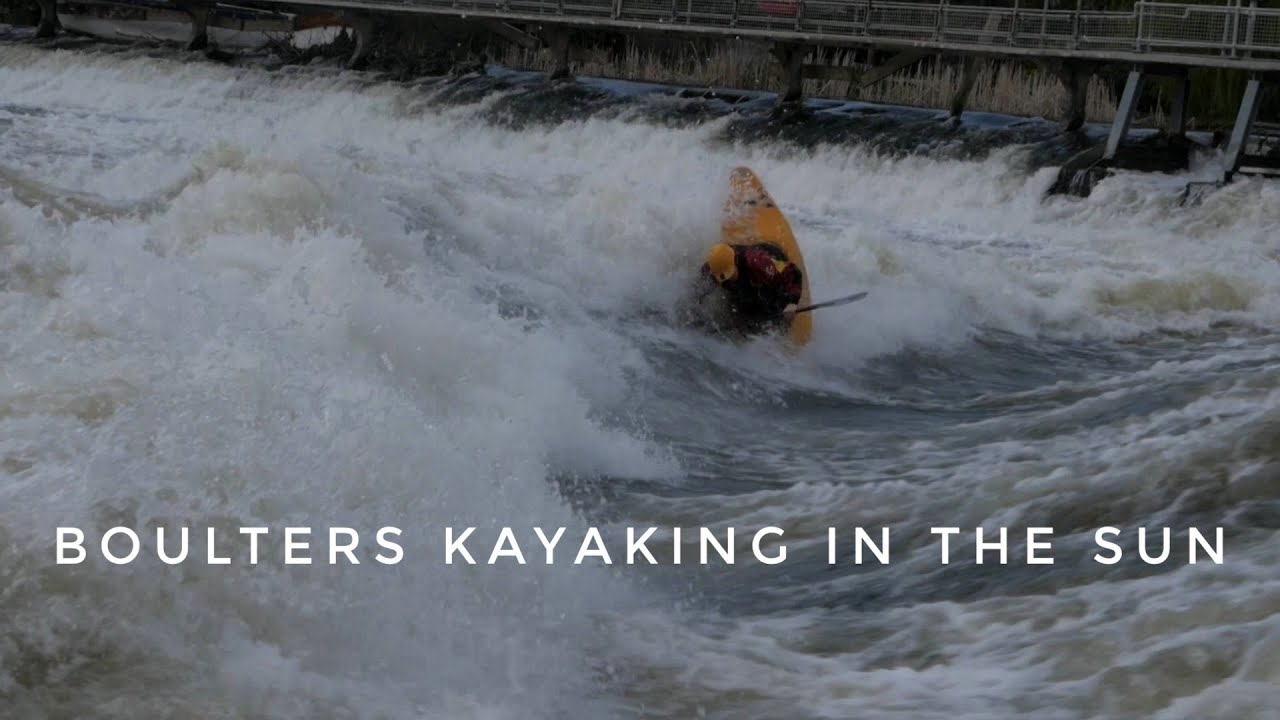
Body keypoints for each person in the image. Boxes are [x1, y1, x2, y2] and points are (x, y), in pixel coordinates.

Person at [699, 241, 803, 337]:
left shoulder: (757, 264)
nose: (728, 280)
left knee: (773, 308)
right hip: (747, 281)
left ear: (735, 262)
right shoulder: (712, 269)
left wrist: (792, 303)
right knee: (741, 318)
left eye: (730, 275)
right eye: (725, 280)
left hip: (768, 267)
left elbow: (794, 273)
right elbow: (699, 290)